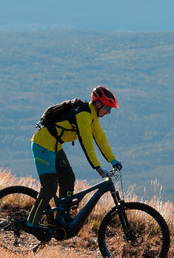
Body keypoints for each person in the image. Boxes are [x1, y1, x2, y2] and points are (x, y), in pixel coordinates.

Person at [30, 86, 121, 230]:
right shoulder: (83, 115)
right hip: (42, 145)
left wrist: (113, 160)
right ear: (98, 104)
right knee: (50, 186)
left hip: (55, 146)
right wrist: (97, 167)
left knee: (68, 178)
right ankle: (31, 223)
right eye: (108, 108)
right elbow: (87, 143)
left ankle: (62, 217)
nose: (109, 112)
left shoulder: (93, 116)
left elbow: (100, 139)